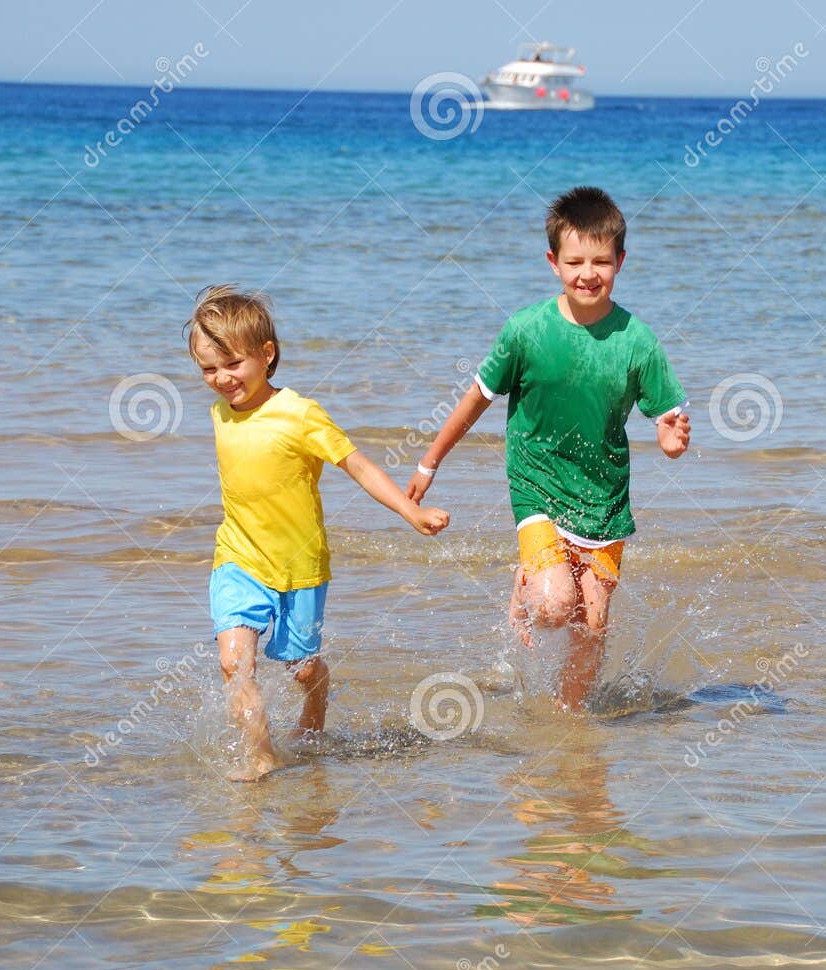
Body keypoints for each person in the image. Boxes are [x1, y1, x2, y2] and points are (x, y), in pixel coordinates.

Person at [406, 187, 691, 710]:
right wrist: (429, 462)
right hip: (535, 483)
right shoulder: (526, 331)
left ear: (621, 262)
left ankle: (569, 716)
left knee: (594, 620)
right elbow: (475, 400)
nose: (589, 273)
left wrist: (671, 441)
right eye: (575, 260)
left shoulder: (638, 341)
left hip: (603, 496)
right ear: (553, 262)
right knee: (557, 604)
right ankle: (526, 588)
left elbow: (666, 422)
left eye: (602, 261)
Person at [189, 285, 449, 780]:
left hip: (301, 569)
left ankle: (315, 708)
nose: (221, 379)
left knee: (301, 667)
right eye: (208, 369)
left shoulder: (301, 414)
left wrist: (409, 513)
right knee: (233, 663)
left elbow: (358, 466)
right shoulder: (219, 412)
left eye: (233, 364)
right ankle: (260, 754)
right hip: (237, 559)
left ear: (267, 355)